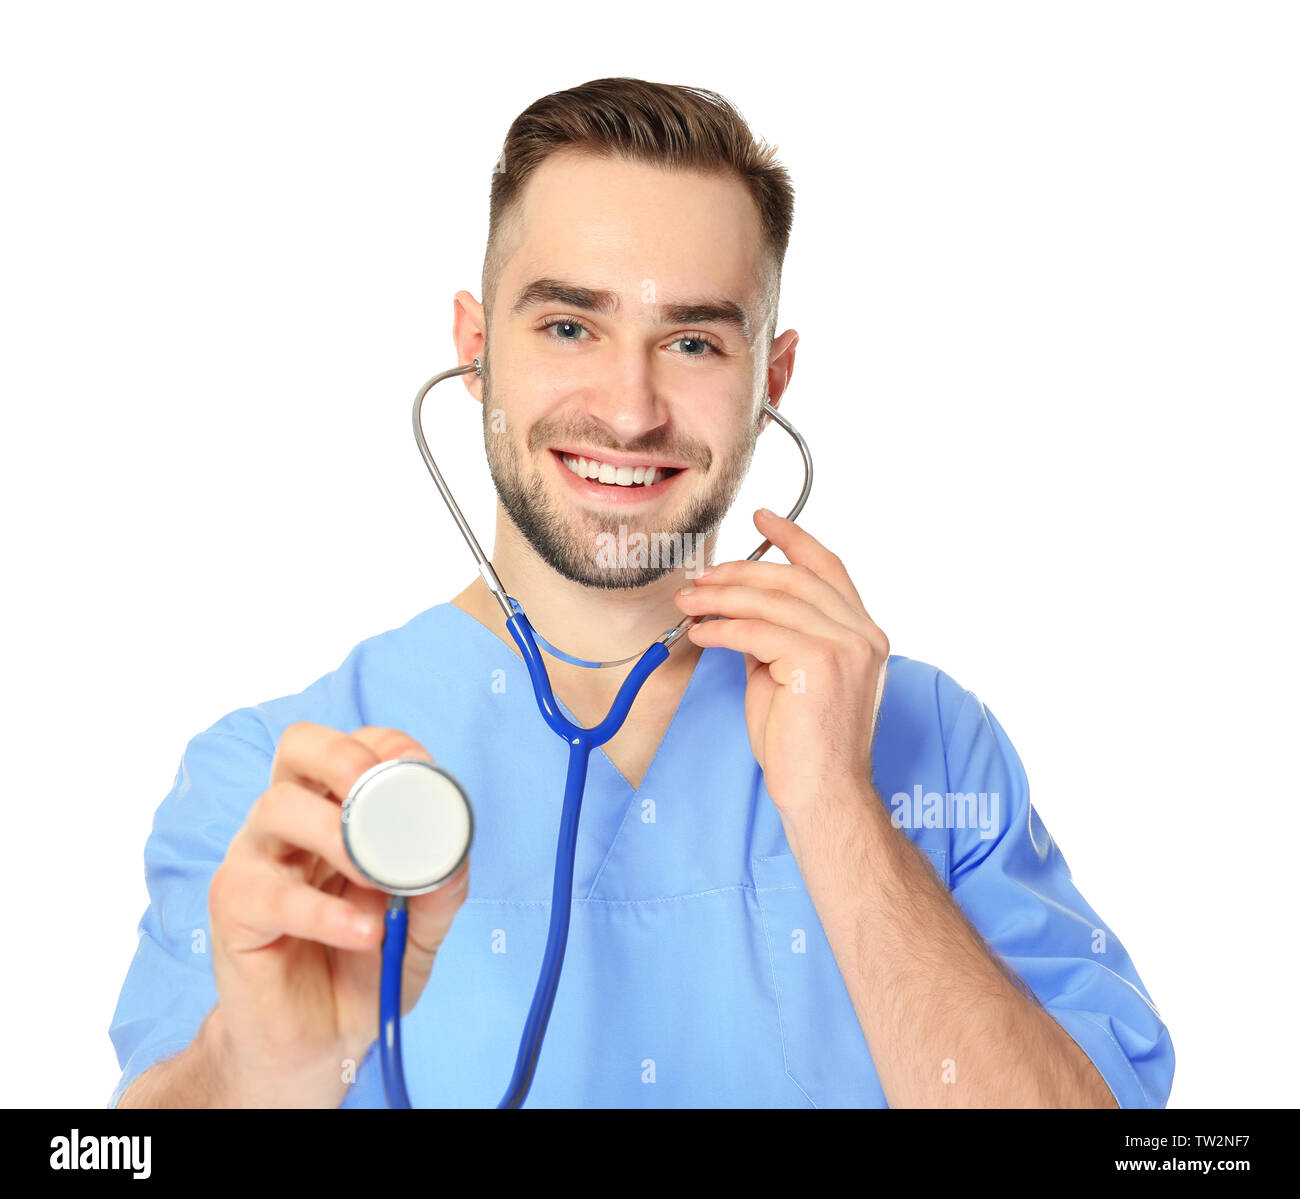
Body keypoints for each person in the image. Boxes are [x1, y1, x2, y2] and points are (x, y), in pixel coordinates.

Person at [110, 76, 1174, 1109]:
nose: (629, 410)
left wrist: (839, 815)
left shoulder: (927, 742)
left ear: (773, 379)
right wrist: (265, 1072)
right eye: (570, 325)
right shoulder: (274, 777)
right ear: (475, 349)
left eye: (694, 341)